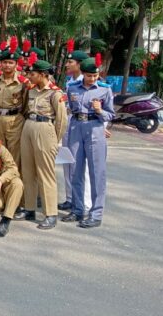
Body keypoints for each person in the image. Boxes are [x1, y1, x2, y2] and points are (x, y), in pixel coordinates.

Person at [15, 57, 67, 230]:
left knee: (45, 173)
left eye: (33, 74)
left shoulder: (55, 93)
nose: (29, 76)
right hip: (29, 126)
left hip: (45, 128)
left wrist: (54, 141)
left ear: (43, 75)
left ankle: (50, 213)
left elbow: (61, 120)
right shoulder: (31, 90)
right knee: (27, 171)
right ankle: (29, 208)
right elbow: (24, 109)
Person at [63, 55, 114, 228]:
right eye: (89, 75)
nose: (92, 78)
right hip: (77, 127)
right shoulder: (72, 88)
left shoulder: (105, 90)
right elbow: (71, 108)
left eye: (95, 75)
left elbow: (111, 115)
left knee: (96, 172)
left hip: (95, 128)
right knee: (75, 170)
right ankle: (78, 210)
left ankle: (96, 213)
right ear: (83, 73)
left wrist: (100, 111)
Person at [59, 41, 91, 212]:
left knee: (80, 165)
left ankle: (84, 204)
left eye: (70, 62)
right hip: (68, 122)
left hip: (82, 124)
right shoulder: (70, 81)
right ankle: (70, 198)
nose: (67, 64)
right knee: (67, 161)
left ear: (79, 64)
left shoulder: (88, 79)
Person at [0, 38, 27, 167]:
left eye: (11, 63)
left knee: (14, 152)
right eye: (5, 62)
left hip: (15, 120)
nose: (7, 65)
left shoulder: (23, 82)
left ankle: (15, 182)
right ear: (0, 64)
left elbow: (26, 103)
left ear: (16, 64)